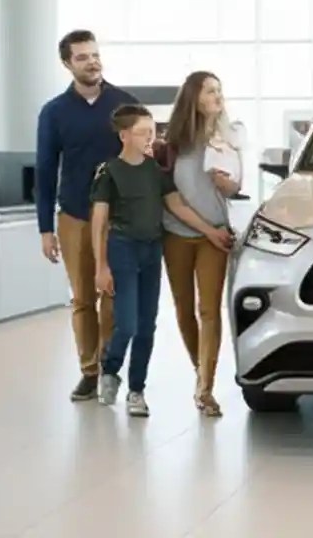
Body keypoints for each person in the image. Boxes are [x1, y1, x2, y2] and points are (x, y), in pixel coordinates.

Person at [90, 105, 219, 416]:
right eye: (143, 132)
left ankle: (137, 390)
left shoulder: (156, 172)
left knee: (148, 326)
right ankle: (110, 369)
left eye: (153, 131)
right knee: (128, 323)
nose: (151, 137)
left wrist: (210, 231)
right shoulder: (109, 172)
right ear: (124, 136)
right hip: (123, 249)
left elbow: (176, 205)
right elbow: (99, 221)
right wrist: (101, 267)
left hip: (151, 250)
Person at [36, 30, 139, 402]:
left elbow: (142, 159)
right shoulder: (54, 112)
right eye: (82, 57)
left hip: (118, 216)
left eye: (95, 55)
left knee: (112, 295)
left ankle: (109, 366)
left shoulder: (125, 105)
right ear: (67, 63)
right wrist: (45, 229)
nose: (92, 61)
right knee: (82, 298)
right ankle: (89, 372)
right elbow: (46, 172)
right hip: (75, 217)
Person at [158, 71, 243, 417]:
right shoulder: (169, 146)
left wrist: (227, 185)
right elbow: (172, 200)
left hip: (216, 236)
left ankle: (204, 387)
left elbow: (236, 187)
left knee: (209, 310)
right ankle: (200, 369)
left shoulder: (230, 137)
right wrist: (207, 230)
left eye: (220, 89)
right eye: (210, 90)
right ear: (194, 97)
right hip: (178, 233)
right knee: (184, 309)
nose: (218, 95)